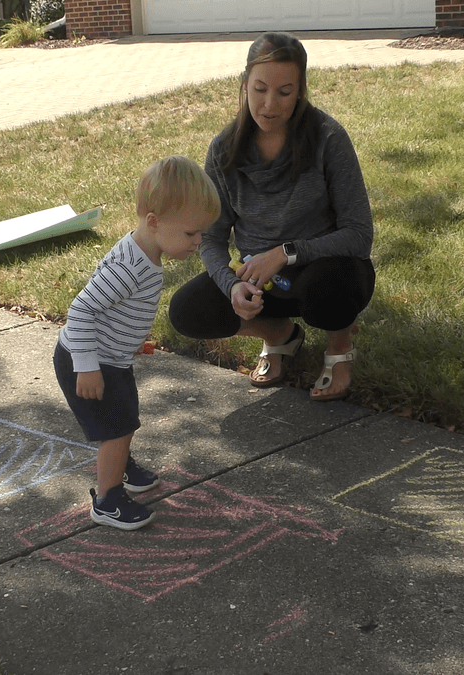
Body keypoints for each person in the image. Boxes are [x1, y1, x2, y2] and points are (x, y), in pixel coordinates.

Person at [168, 32, 375, 403]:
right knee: (187, 311)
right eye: (260, 88)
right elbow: (212, 237)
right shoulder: (223, 149)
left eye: (284, 92)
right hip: (262, 282)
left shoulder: (329, 138)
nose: (269, 104)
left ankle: (339, 346)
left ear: (300, 91)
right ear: (244, 84)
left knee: (328, 290)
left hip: (325, 269)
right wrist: (232, 286)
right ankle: (279, 336)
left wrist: (284, 253)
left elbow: (359, 234)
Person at [54, 155, 221, 530]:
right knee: (115, 429)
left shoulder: (145, 248)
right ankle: (108, 500)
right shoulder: (132, 267)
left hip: (110, 357)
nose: (198, 242)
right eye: (191, 234)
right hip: (91, 361)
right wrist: (87, 365)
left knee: (123, 421)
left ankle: (121, 465)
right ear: (154, 222)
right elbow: (81, 311)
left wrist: (130, 338)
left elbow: (116, 310)